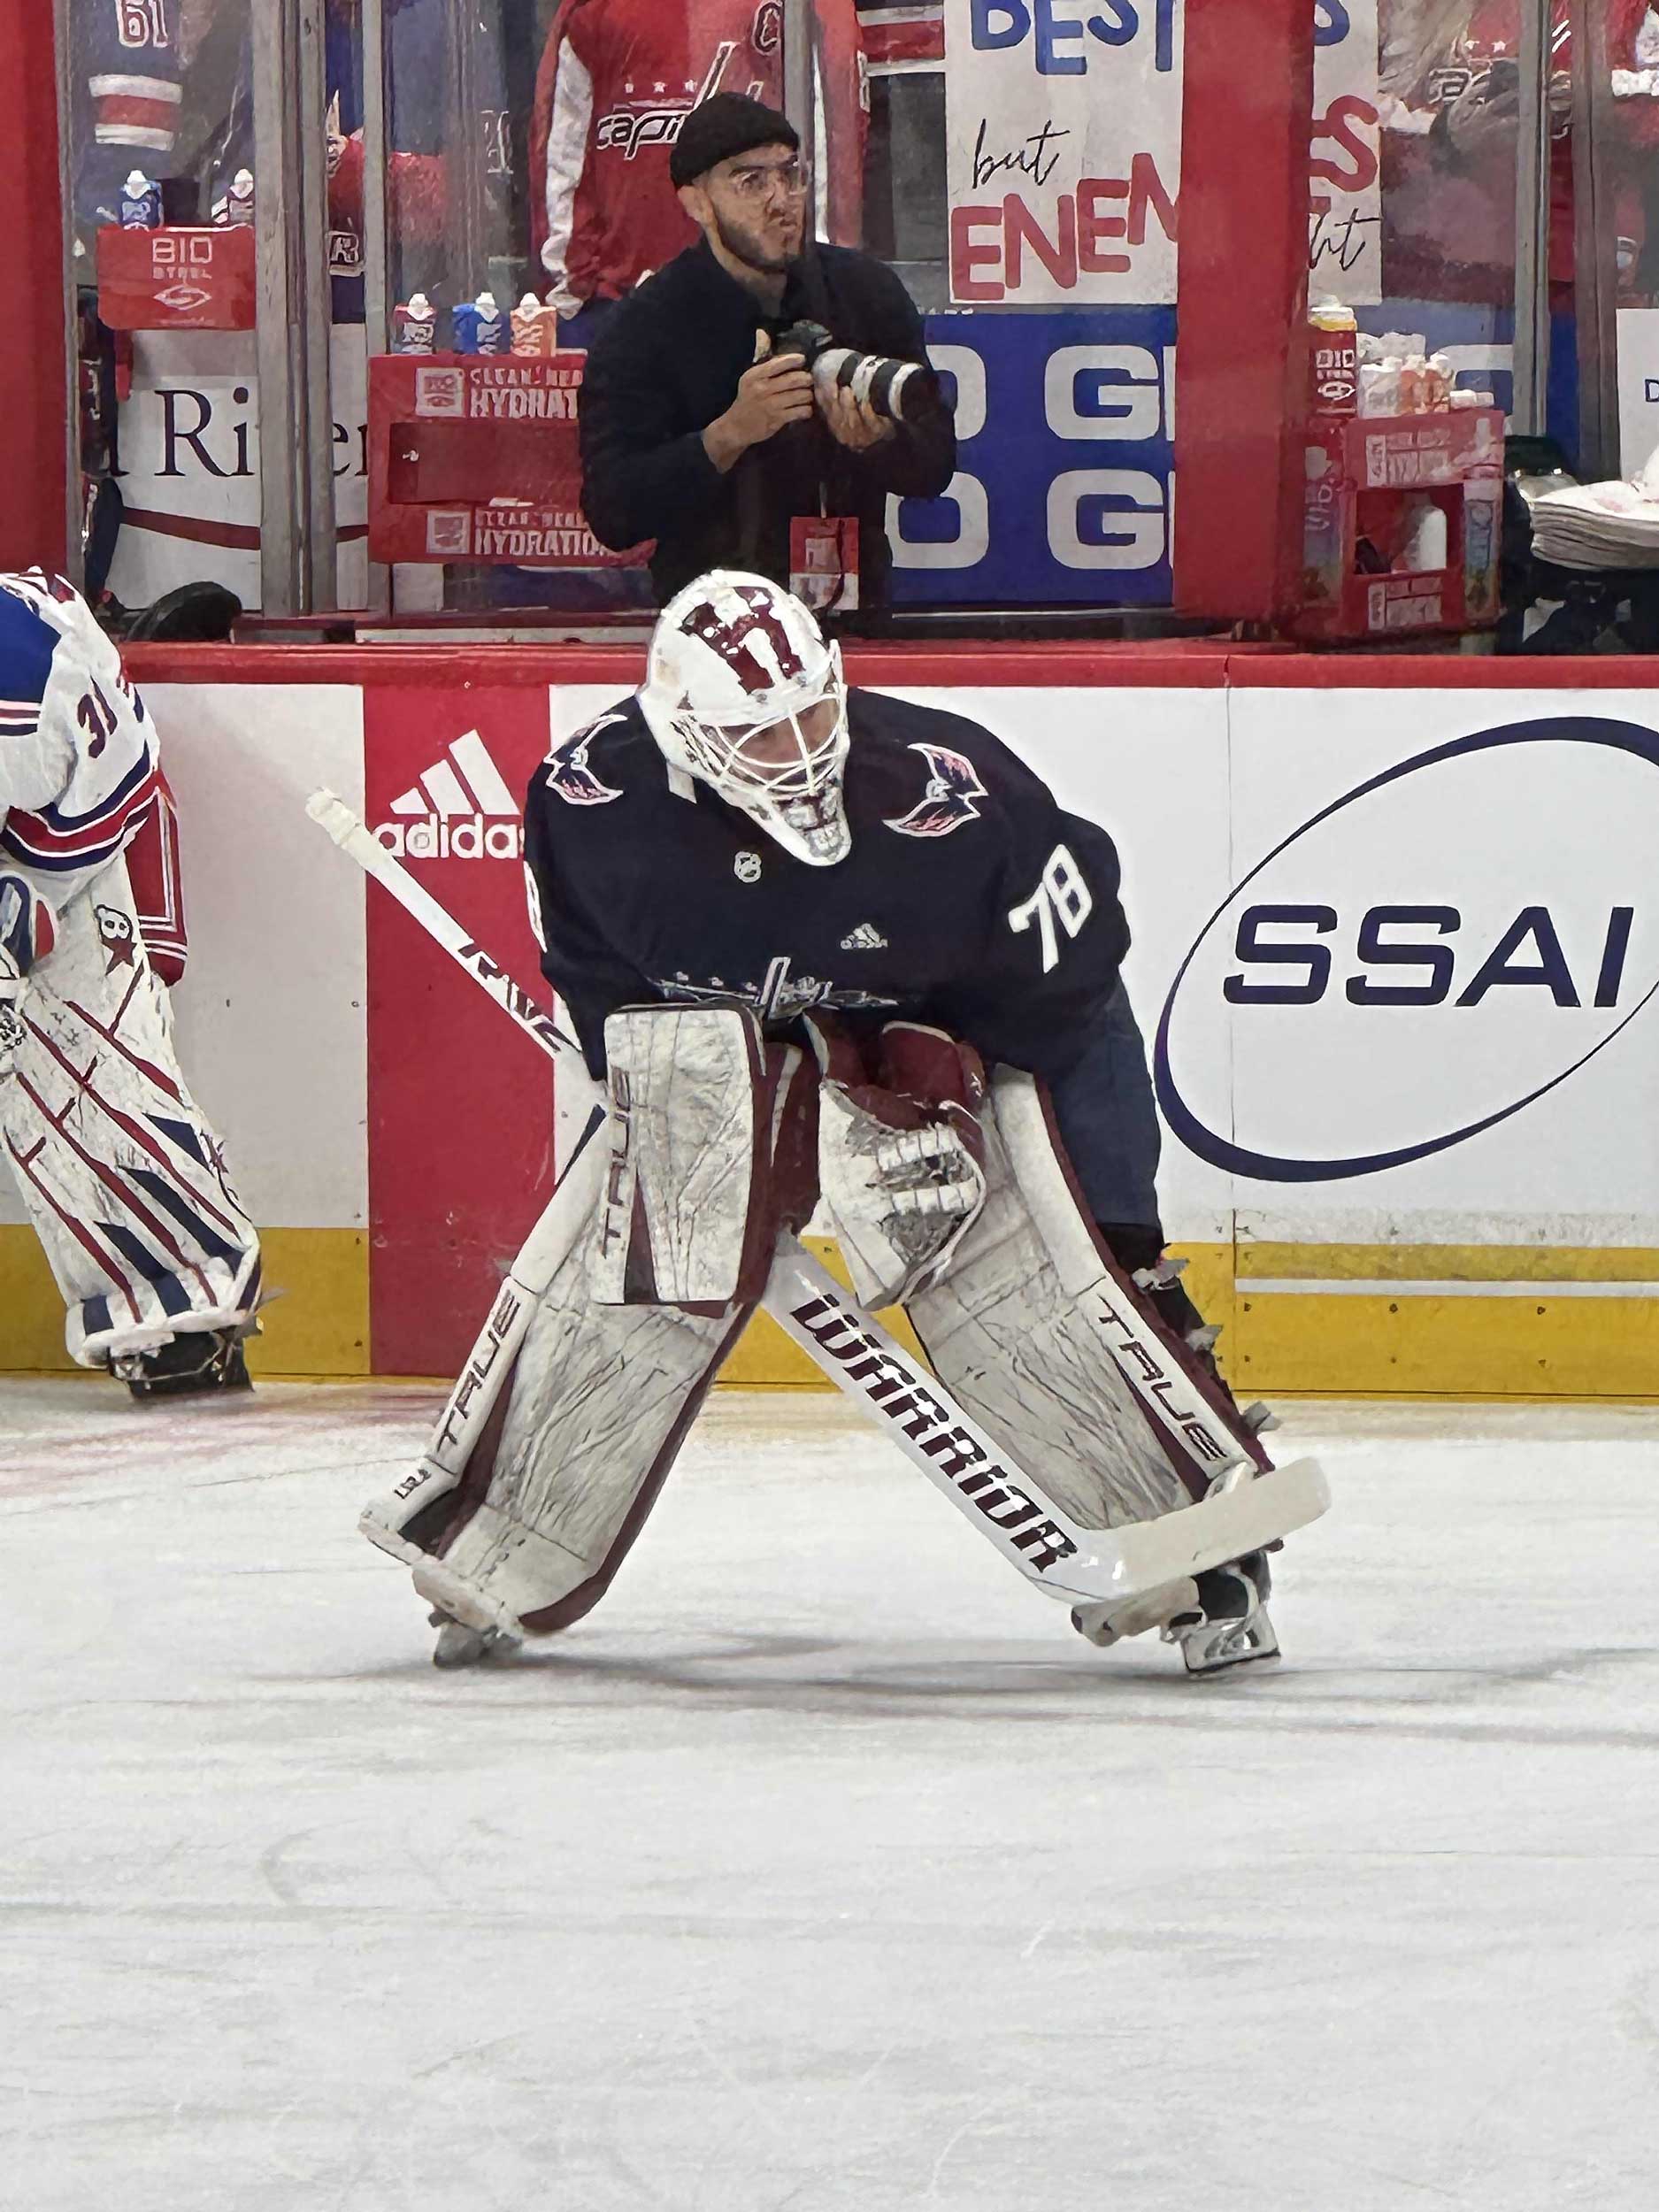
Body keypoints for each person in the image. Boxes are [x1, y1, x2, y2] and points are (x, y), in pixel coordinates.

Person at [361, 572, 1294, 1677]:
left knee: (1007, 1257)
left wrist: (1120, 1237)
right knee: (655, 1242)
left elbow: (1078, 1013)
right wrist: (656, 1096)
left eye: (812, 714)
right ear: (685, 734)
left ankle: (1194, 1537)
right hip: (729, 1034)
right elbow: (609, 994)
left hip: (950, 1033)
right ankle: (503, 1531)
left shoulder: (958, 804)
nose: (799, 754)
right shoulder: (591, 805)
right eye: (760, 736)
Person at [0, 570, 262, 1397]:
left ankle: (181, 1321)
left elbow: (83, 819)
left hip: (69, 841)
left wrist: (18, 917)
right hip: (48, 803)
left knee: (86, 1072)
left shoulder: (25, 696)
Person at [577, 92, 956, 609]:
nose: (781, 199)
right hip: (710, 637)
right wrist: (727, 435)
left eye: (789, 175)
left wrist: (879, 445)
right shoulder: (644, 328)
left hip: (848, 619)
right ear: (697, 203)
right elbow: (613, 512)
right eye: (751, 181)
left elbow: (936, 467)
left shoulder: (865, 294)